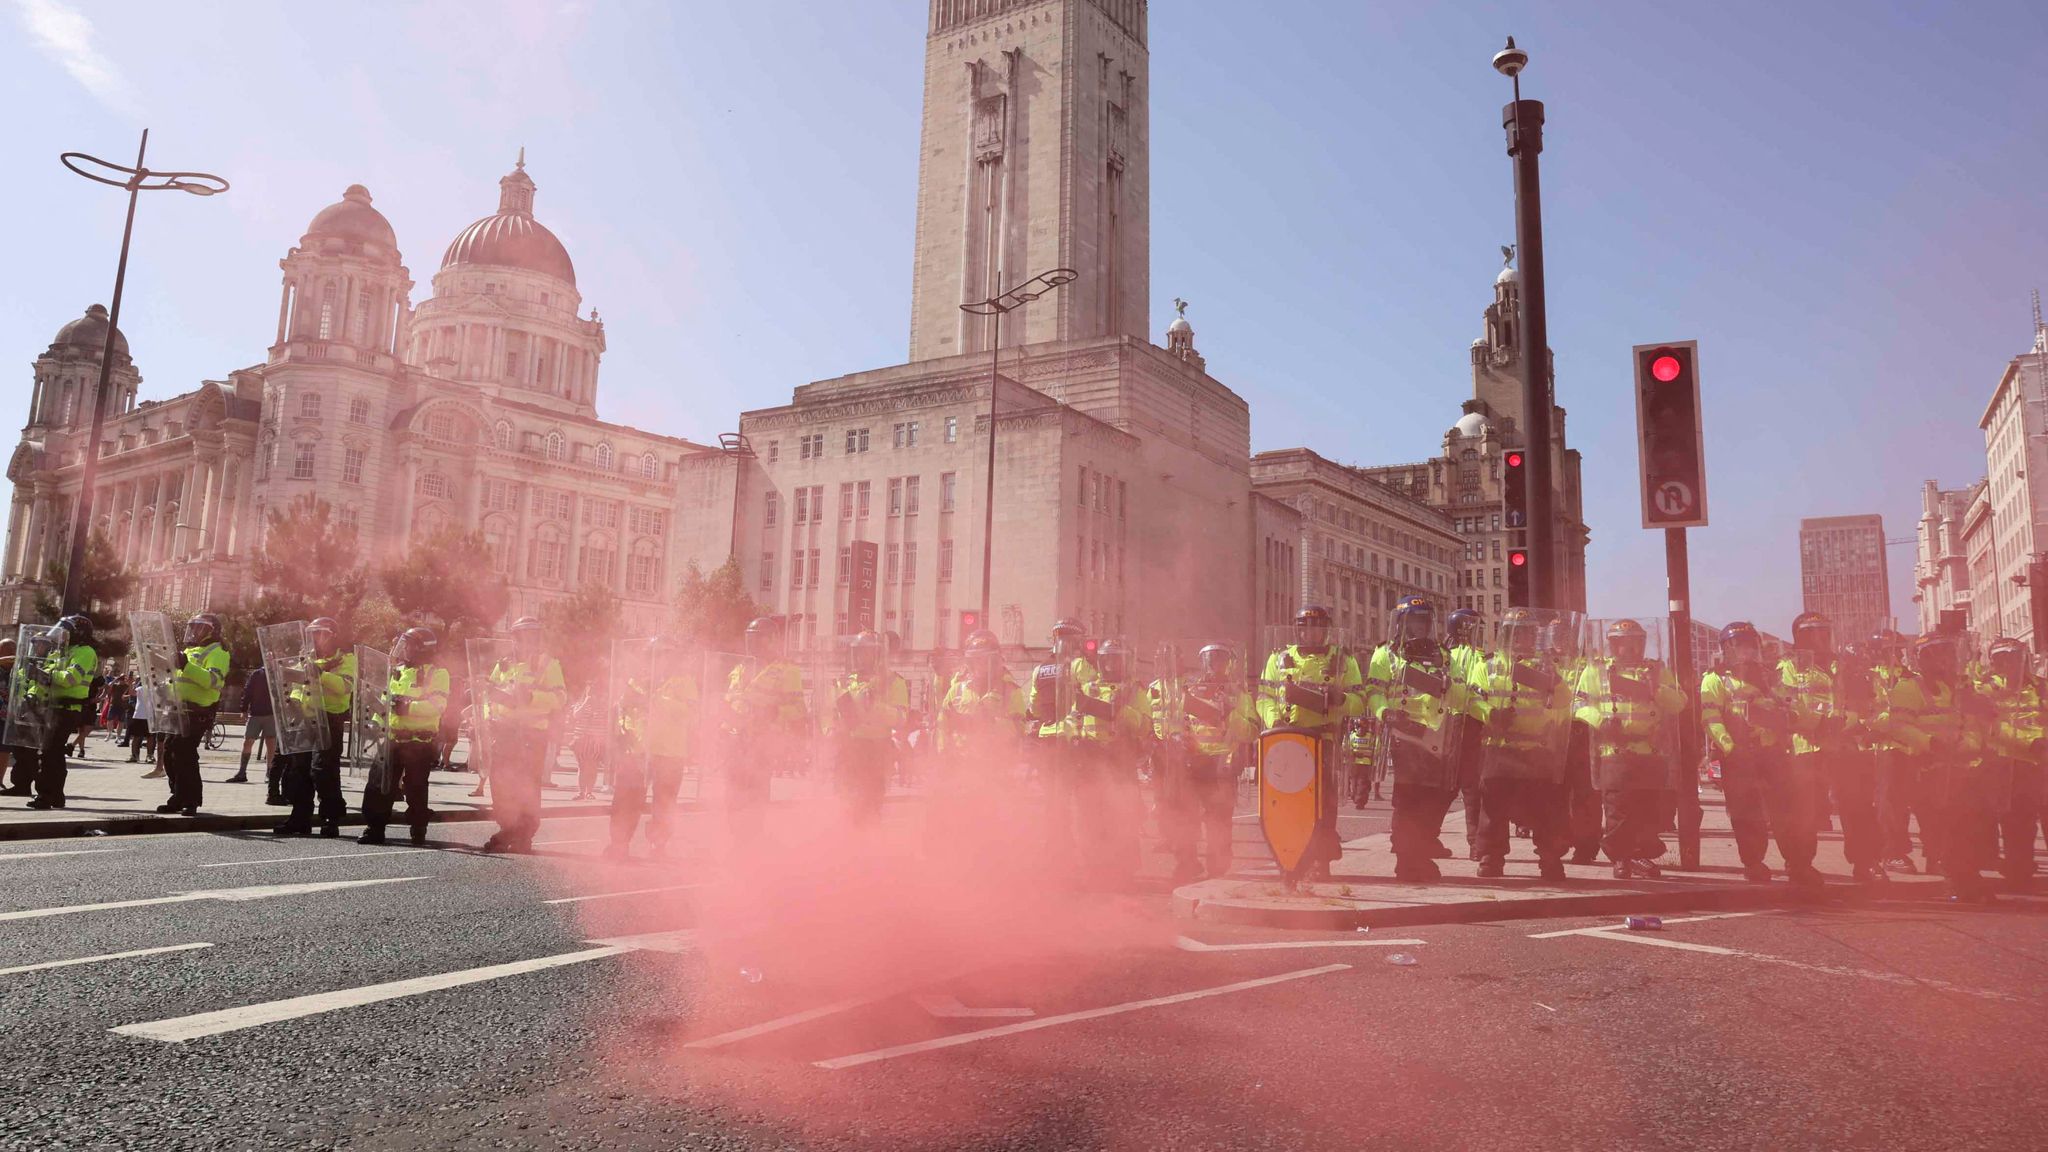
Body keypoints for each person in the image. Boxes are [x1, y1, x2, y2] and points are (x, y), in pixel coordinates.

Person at [1701, 622, 1820, 888]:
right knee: (1747, 814)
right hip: (1740, 757)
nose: (1744, 651)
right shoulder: (1715, 678)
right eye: (1737, 646)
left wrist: (1792, 717)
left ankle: (1799, 863)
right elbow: (1711, 718)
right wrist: (1730, 748)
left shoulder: (1770, 676)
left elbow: (1793, 706)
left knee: (1787, 812)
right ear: (1726, 649)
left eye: (1748, 645)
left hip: (1774, 754)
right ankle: (1753, 863)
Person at [1365, 599, 1475, 882]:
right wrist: (1383, 710)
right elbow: (1374, 691)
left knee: (1434, 799)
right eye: (1413, 623)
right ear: (1401, 624)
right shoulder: (1386, 654)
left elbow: (1461, 692)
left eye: (1423, 622)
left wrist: (1451, 688)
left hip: (1438, 737)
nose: (1419, 628)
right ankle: (1407, 860)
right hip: (1404, 734)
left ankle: (1420, 852)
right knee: (1408, 800)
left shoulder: (1443, 655)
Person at [1258, 606, 1365, 880]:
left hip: (1325, 739)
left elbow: (1360, 701)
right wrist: (1274, 722)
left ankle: (1320, 860)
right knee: (1288, 801)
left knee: (1323, 805)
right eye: (1307, 627)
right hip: (1288, 739)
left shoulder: (1342, 660)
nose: (1312, 633)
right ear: (1298, 629)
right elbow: (1264, 698)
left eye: (1318, 627)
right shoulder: (1279, 658)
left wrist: (1341, 699)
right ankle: (1289, 858)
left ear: (1326, 630)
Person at [1468, 610, 1576, 880]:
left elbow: (1564, 701)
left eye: (1527, 633)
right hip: (1500, 750)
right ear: (1505, 635)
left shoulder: (1546, 666)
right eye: (1516, 633)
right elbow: (1472, 699)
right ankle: (1491, 858)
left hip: (1537, 752)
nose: (1522, 638)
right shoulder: (1488, 666)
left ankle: (1550, 860)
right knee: (1493, 810)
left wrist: (1557, 679)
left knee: (1546, 811)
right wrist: (1490, 714)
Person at [1574, 619, 1685, 877]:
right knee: (1618, 809)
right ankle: (1620, 858)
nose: (1629, 649)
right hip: (1615, 751)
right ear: (1613, 645)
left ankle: (1640, 856)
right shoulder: (1596, 671)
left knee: (1648, 810)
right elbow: (1578, 705)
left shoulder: (1656, 670)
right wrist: (1600, 721)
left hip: (1650, 751)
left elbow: (1679, 702)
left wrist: (1655, 688)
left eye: (1634, 643)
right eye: (1622, 643)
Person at [1778, 612, 1879, 882]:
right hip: (1807, 747)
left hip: (1843, 746)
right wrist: (1818, 722)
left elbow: (1859, 703)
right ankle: (1799, 864)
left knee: (1858, 805)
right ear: (1801, 637)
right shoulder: (1789, 666)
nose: (1822, 638)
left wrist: (1852, 721)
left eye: (1825, 632)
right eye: (1814, 633)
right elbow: (1788, 705)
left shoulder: (1844, 665)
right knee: (1805, 811)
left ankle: (1866, 862)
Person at [1149, 642, 1259, 882]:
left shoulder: (1238, 694)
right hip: (1191, 762)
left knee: (1218, 821)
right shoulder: (1191, 689)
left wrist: (1230, 713)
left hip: (1221, 765)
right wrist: (1179, 740)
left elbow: (1252, 731)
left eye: (1220, 661)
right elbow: (1175, 722)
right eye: (1210, 660)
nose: (1214, 666)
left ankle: (1217, 868)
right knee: (1184, 817)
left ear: (1229, 664)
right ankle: (1187, 863)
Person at [479, 617, 567, 853]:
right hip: (503, 732)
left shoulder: (547, 663)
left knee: (526, 788)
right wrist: (489, 716)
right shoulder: (504, 664)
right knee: (500, 786)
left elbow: (560, 698)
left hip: (531, 735)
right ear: (514, 638)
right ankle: (508, 828)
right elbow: (491, 694)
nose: (529, 640)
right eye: (524, 636)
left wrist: (531, 697)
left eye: (534, 635)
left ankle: (523, 836)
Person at [609, 639, 699, 858]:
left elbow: (691, 713)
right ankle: (619, 844)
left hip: (669, 753)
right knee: (626, 799)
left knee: (664, 803)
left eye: (662, 655)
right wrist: (621, 731)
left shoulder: (684, 682)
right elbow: (622, 708)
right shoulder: (637, 681)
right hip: (637, 751)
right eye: (653, 655)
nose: (656, 660)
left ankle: (658, 845)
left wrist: (654, 701)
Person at [361, 626, 449, 847]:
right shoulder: (397, 670)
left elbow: (438, 706)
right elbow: (386, 704)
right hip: (392, 738)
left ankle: (418, 828)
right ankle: (375, 828)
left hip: (419, 741)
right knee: (378, 784)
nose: (405, 649)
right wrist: (375, 723)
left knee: (416, 788)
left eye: (409, 645)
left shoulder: (437, 673)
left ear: (421, 649)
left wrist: (408, 708)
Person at [721, 615, 806, 839]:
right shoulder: (740, 668)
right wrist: (723, 723)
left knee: (755, 796)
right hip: (735, 740)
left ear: (771, 640)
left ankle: (752, 842)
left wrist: (774, 713)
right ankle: (737, 840)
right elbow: (731, 699)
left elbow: (798, 710)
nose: (752, 643)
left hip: (762, 742)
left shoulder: (786, 670)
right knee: (733, 796)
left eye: (758, 639)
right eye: (750, 638)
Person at [276, 617, 355, 838]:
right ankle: (300, 818)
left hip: (329, 719)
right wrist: (290, 697)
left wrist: (321, 675)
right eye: (312, 634)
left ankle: (331, 818)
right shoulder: (307, 657)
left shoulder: (345, 659)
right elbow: (298, 685)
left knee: (323, 770)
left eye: (320, 634)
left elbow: (346, 686)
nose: (315, 639)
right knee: (298, 770)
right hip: (304, 718)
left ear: (332, 636)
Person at [822, 630, 909, 822]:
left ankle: (869, 843)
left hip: (877, 749)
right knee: (846, 801)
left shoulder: (894, 681)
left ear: (878, 654)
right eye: (859, 652)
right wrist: (829, 729)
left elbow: (901, 719)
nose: (862, 657)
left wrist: (876, 708)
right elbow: (828, 712)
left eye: (867, 652)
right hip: (848, 748)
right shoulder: (843, 681)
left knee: (871, 803)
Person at [1979, 637, 2042, 890]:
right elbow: (1991, 727)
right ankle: (2020, 868)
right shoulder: (1986, 691)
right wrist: (2031, 743)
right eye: (2003, 659)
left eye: (2015, 657)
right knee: (2017, 819)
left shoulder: (2042, 687)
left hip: (2042, 762)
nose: (2011, 664)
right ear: (1995, 663)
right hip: (2007, 762)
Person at [21, 616, 101, 810]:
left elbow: (70, 678)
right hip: (51, 707)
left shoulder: (85, 652)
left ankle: (46, 795)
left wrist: (43, 675)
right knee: (53, 752)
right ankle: (56, 795)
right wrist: (31, 690)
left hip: (67, 708)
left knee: (50, 752)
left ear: (78, 633)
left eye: (65, 631)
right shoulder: (60, 653)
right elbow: (44, 674)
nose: (61, 636)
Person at [159, 613, 229, 816]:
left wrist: (187, 666)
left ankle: (191, 800)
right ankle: (178, 795)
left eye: (199, 628)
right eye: (193, 627)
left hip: (198, 711)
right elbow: (179, 678)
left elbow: (212, 680)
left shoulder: (218, 652)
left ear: (211, 631)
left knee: (185, 754)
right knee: (170, 753)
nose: (194, 631)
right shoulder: (189, 650)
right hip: (177, 709)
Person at [1443, 608, 1489, 856]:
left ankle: (1427, 837)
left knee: (1446, 788)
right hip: (1469, 725)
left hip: (1448, 724)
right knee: (1471, 789)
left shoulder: (1443, 655)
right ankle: (1476, 844)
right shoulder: (1477, 658)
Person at [229, 663, 274, 792]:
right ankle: (242, 772)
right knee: (248, 741)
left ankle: (270, 773)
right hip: (256, 713)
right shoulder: (257, 674)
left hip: (271, 714)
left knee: (271, 743)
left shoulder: (277, 673)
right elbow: (248, 690)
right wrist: (243, 709)